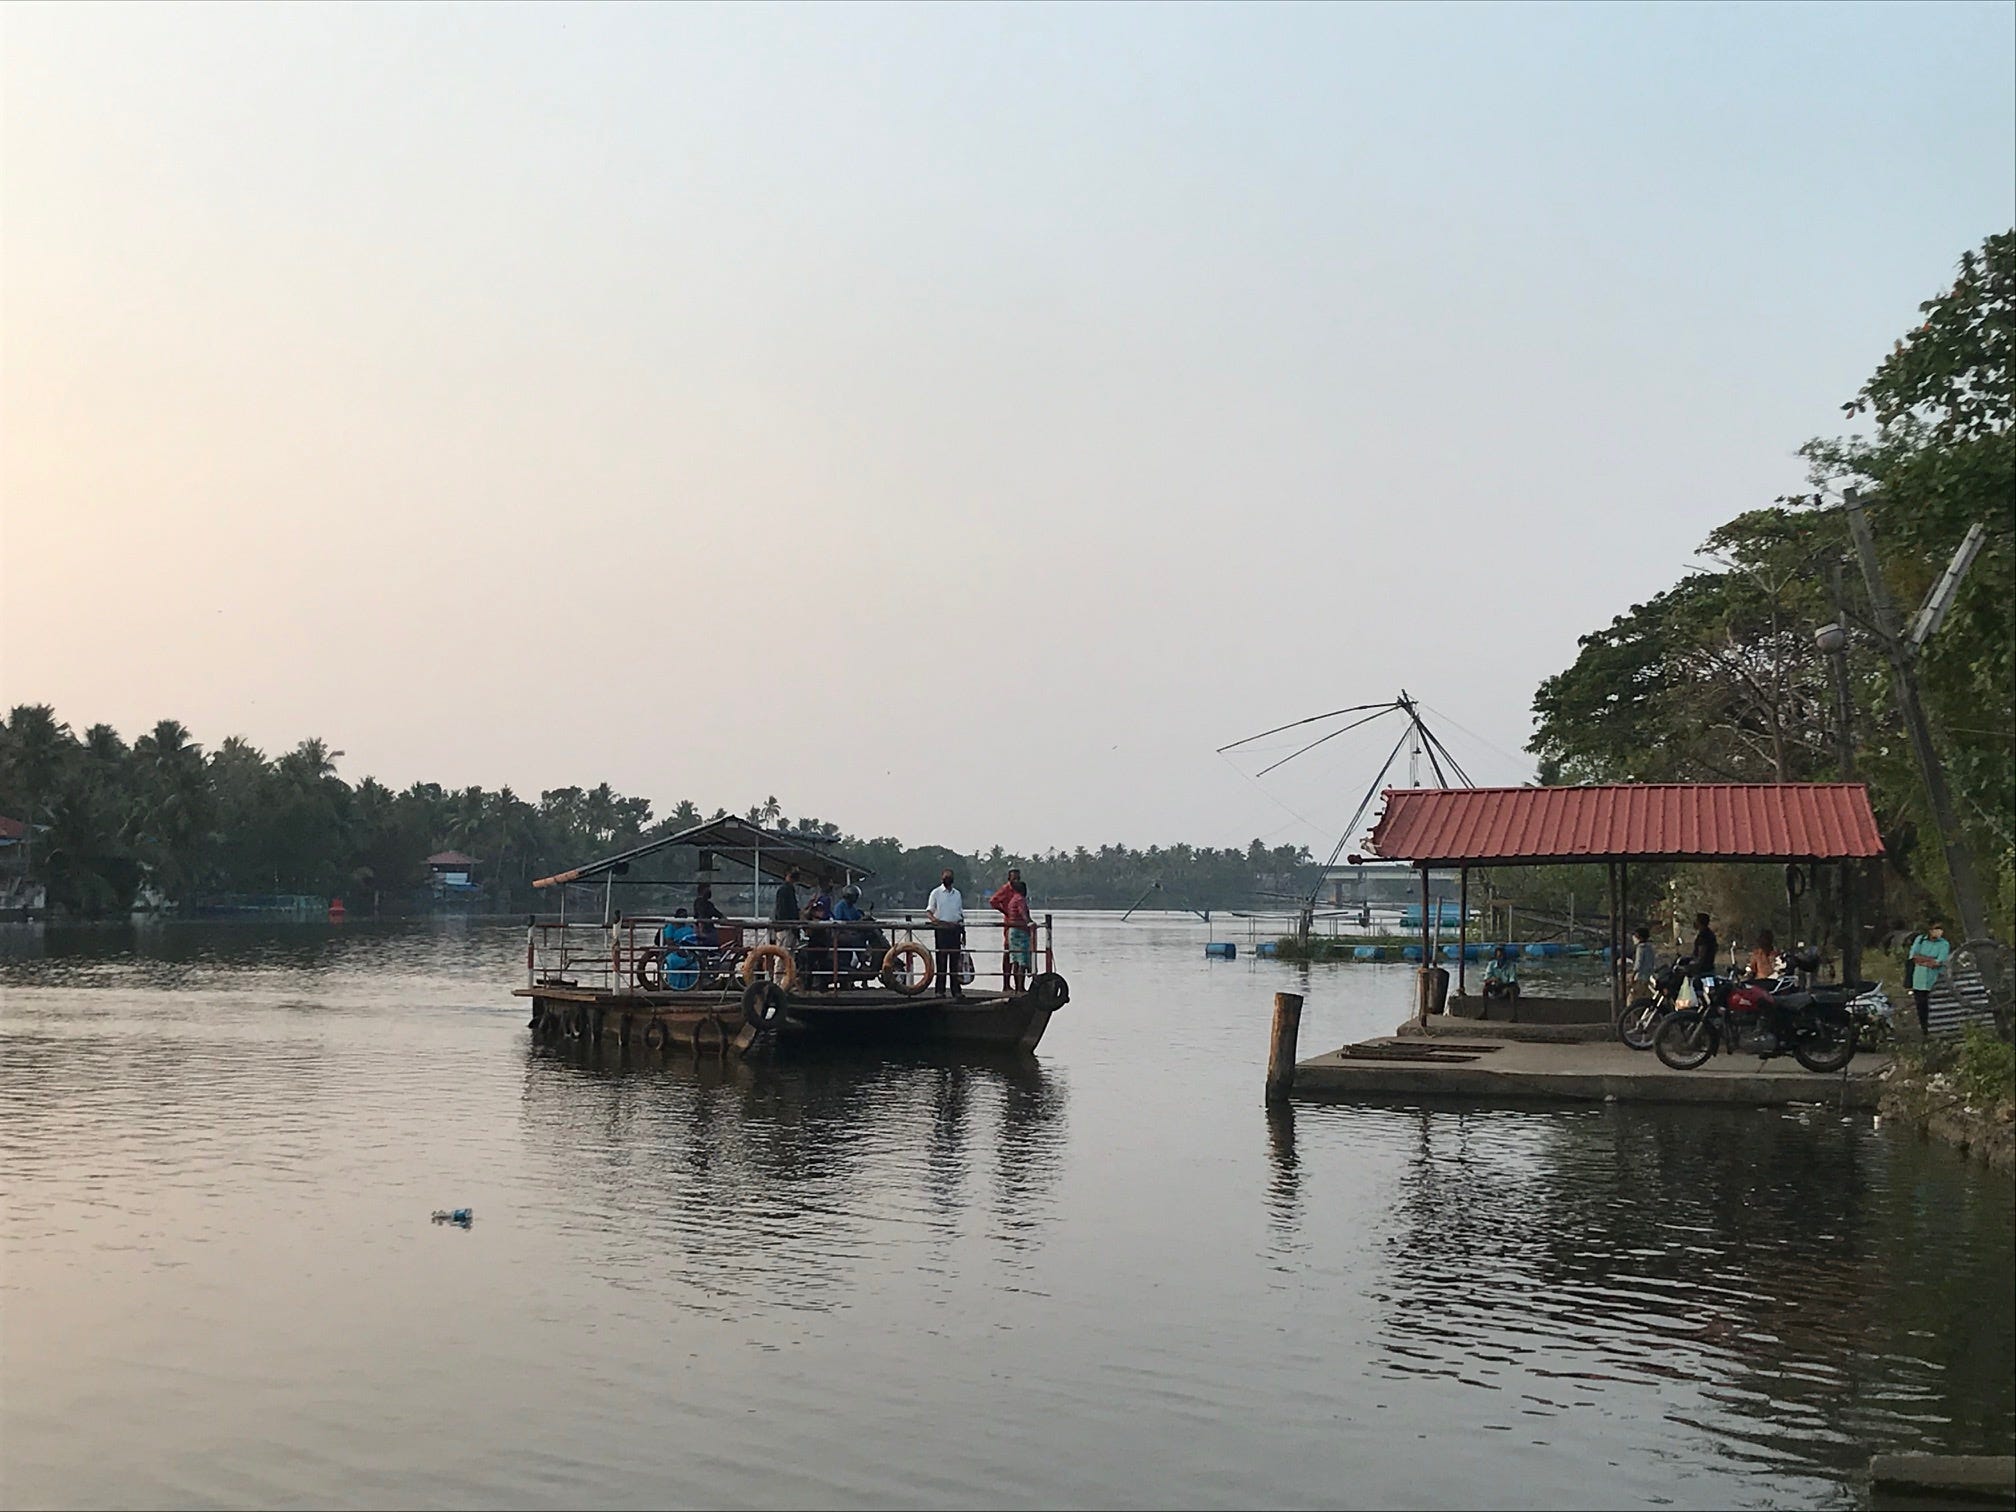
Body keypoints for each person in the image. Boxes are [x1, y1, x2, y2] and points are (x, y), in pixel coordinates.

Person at [1906, 920, 1952, 1037]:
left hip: (1934, 980)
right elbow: (1914, 956)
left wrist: (1924, 960)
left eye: (1940, 929)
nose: (1938, 932)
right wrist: (1929, 960)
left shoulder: (1944, 944)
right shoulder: (1920, 940)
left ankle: (1935, 1030)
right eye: (1936, 929)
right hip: (1919, 980)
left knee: (1935, 1005)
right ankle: (1924, 1030)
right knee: (1921, 1006)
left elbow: (1938, 962)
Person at [989, 874, 1034, 994]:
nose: (1016, 881)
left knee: (1015, 960)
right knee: (1021, 961)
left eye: (1018, 878)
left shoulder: (1013, 898)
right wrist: (1029, 922)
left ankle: (1016, 987)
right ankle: (1017, 987)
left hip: (1012, 929)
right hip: (1017, 930)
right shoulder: (1017, 898)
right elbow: (993, 901)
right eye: (1014, 878)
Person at [926, 868, 966, 999]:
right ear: (941, 878)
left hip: (955, 930)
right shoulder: (936, 893)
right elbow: (929, 912)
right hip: (942, 929)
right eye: (945, 877)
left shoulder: (957, 894)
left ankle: (956, 990)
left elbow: (960, 913)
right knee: (941, 961)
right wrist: (936, 922)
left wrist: (963, 931)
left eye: (949, 877)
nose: (947, 879)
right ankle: (940, 990)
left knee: (955, 962)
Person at [1683, 912, 1718, 1004]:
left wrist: (1691, 966)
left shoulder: (1704, 936)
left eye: (1696, 920)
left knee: (1699, 994)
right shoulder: (1708, 934)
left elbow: (1701, 955)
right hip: (1708, 968)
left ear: (1699, 922)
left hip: (1703, 970)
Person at [771, 868, 802, 951]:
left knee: (790, 955)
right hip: (785, 928)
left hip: (791, 928)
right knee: (782, 954)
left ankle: (790, 964)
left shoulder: (790, 889)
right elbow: (781, 910)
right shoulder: (784, 890)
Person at [1629, 926, 1658, 1003]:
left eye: (1636, 936)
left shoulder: (1641, 948)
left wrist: (1633, 975)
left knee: (1632, 1000)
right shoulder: (1650, 947)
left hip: (1640, 977)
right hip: (1648, 976)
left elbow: (1638, 964)